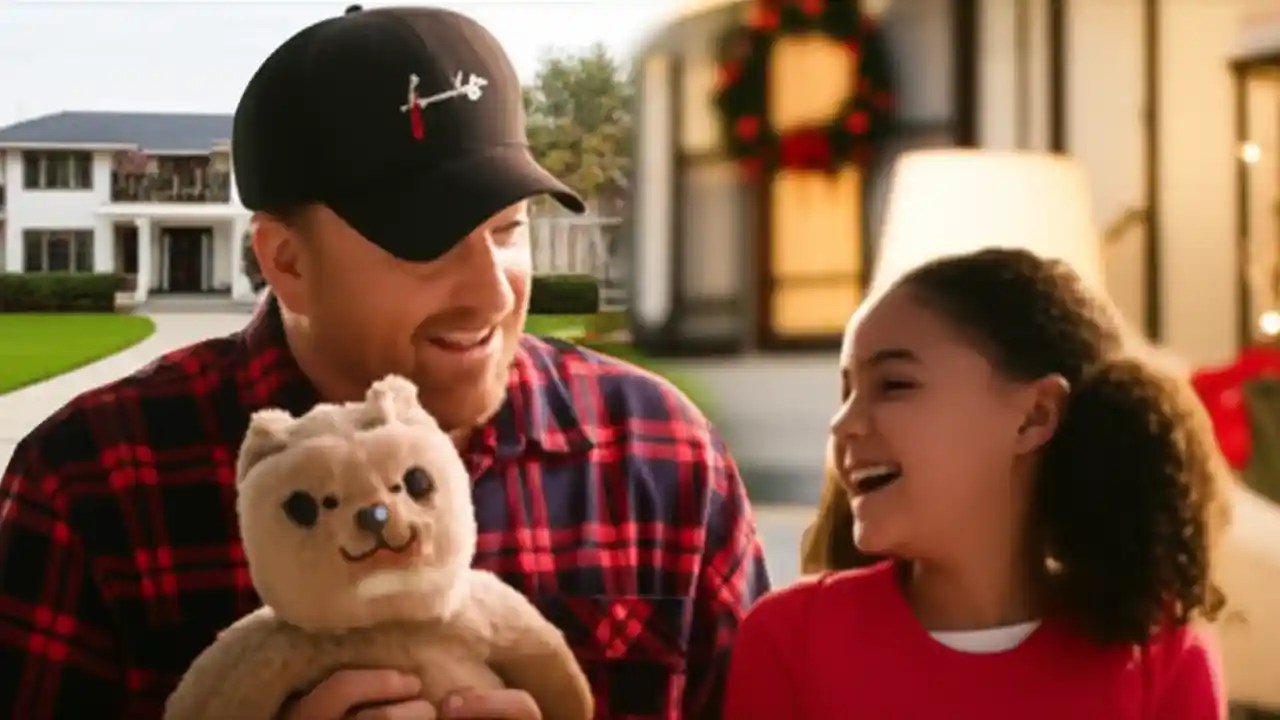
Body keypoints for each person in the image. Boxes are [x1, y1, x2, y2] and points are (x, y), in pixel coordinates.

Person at [0, 6, 768, 719]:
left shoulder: (664, 456)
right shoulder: (93, 484)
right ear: (287, 261)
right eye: (428, 242)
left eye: (506, 228)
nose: (490, 293)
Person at [724, 248, 1232, 719]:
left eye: (895, 384)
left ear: (1034, 416)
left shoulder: (1160, 652)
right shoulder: (789, 640)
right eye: (847, 391)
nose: (843, 424)